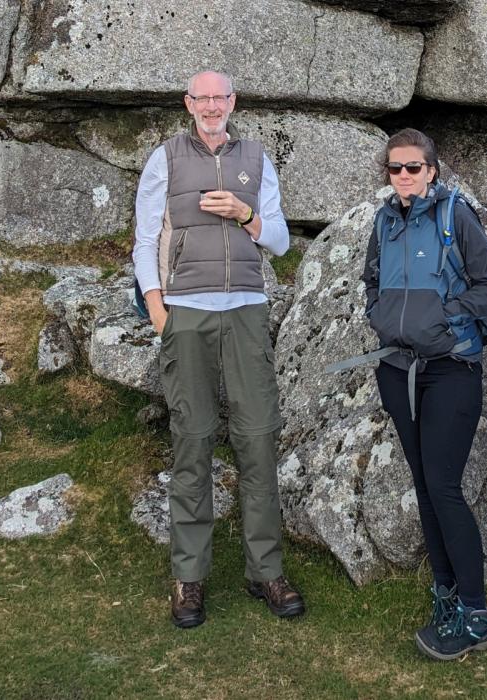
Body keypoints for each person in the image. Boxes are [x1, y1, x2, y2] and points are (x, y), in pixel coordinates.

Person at [131, 70, 302, 629]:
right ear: (188, 104)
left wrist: (245, 215)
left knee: (257, 439)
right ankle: (189, 578)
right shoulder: (165, 159)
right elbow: (144, 237)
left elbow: (279, 241)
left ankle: (265, 571)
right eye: (200, 98)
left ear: (232, 102)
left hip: (247, 311)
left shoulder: (257, 158)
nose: (210, 106)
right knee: (193, 441)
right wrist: (159, 309)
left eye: (219, 97)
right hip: (187, 312)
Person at [360, 128, 487, 661]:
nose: (404, 177)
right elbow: (371, 281)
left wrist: (440, 319)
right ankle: (446, 598)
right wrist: (380, 316)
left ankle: (475, 613)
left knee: (443, 486)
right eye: (395, 169)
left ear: (433, 170)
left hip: (450, 370)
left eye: (413, 168)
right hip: (397, 370)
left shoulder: (455, 217)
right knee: (424, 485)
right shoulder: (384, 220)